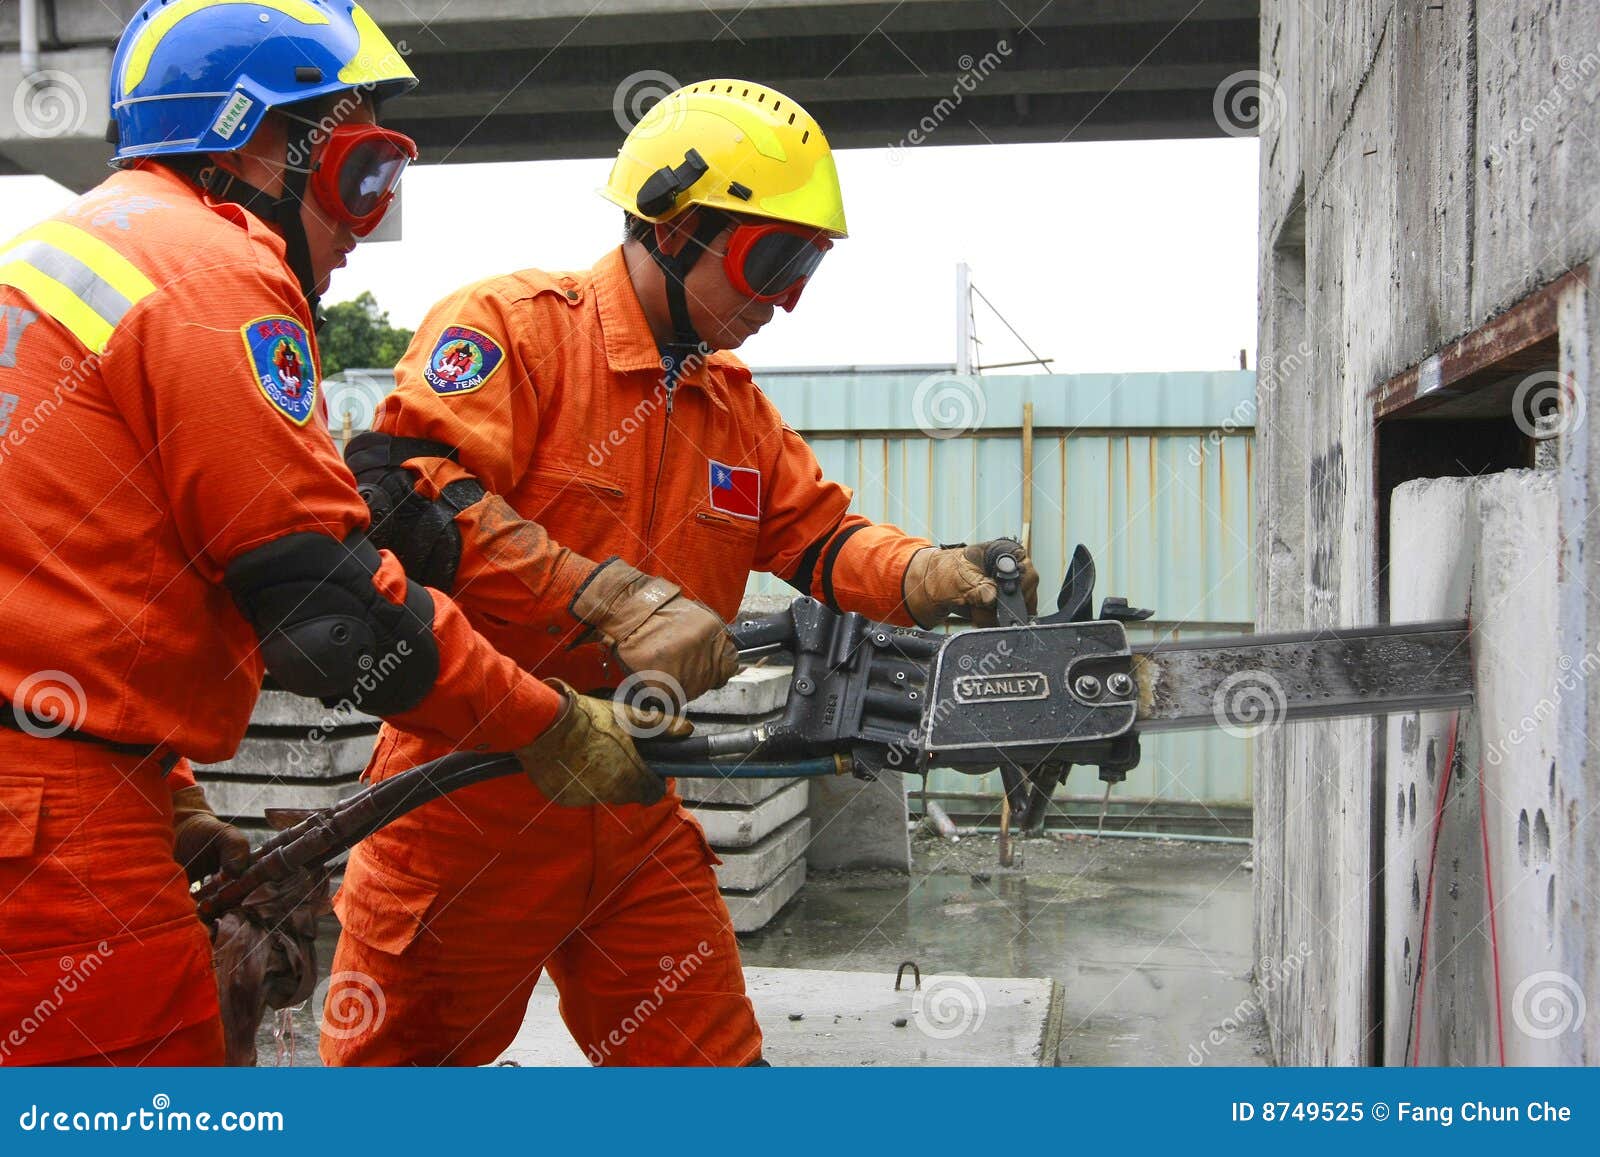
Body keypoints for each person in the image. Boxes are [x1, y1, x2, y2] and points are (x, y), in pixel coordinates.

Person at [325, 78, 1040, 1067]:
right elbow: (407, 494)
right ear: (673, 225)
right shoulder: (513, 330)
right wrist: (607, 593)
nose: (786, 295)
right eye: (774, 256)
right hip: (469, 795)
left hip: (631, 786)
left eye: (807, 268)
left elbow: (822, 541)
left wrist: (931, 570)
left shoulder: (729, 406)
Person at [0, 0, 659, 1067]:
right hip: (52, 848)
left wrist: (164, 800)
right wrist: (547, 721)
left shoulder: (54, 259)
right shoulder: (214, 271)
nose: (367, 224)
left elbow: (49, 591)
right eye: (364, 173)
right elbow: (334, 616)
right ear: (256, 146)